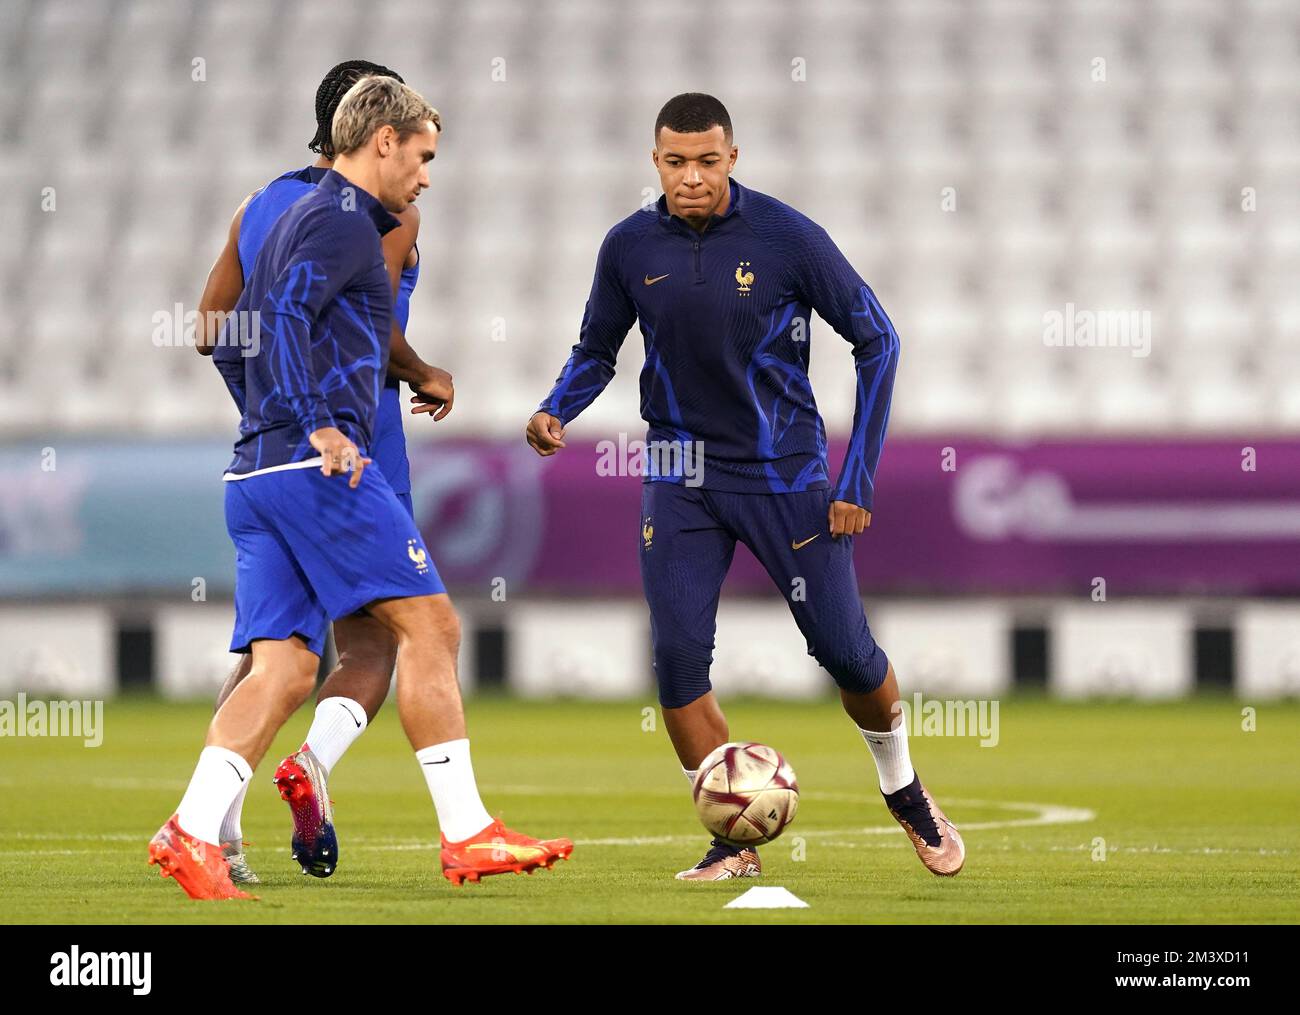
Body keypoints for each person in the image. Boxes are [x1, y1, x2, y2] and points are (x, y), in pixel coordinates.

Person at [150, 75, 571, 900]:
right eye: (422, 156)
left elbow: (227, 331)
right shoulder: (348, 223)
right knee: (433, 627)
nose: (425, 176)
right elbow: (287, 321)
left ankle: (193, 830)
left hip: (255, 472)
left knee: (284, 668)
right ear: (383, 140)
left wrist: (269, 418)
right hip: (318, 468)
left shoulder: (277, 215)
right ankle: (467, 832)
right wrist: (316, 421)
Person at [526, 92, 961, 880]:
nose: (691, 177)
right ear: (654, 161)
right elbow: (597, 348)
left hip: (785, 474)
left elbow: (879, 338)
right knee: (677, 660)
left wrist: (855, 475)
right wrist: (557, 408)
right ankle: (734, 845)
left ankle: (905, 791)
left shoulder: (788, 238)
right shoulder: (627, 245)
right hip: (678, 473)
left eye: (707, 161)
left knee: (847, 653)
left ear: (733, 158)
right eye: (674, 162)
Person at [194, 59, 451, 886]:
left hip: (272, 442)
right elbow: (362, 316)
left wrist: (262, 400)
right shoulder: (376, 210)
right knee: (388, 629)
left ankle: (217, 829)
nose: (420, 170)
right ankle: (316, 760)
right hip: (348, 434)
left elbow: (210, 327)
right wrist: (420, 372)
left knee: (276, 650)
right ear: (379, 131)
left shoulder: (258, 203)